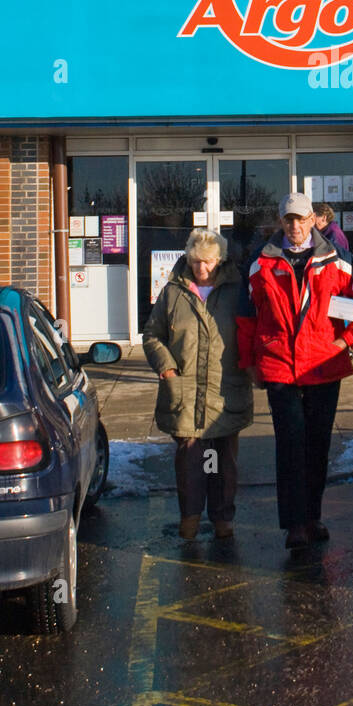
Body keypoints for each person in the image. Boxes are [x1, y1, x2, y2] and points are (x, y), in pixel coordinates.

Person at [237, 192, 353, 548]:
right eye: (288, 219)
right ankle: (294, 525)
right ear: (281, 222)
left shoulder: (341, 261)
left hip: (324, 366)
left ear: (313, 221)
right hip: (279, 368)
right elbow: (246, 319)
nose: (295, 226)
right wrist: (249, 363)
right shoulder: (260, 264)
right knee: (290, 447)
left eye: (301, 219)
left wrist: (347, 341)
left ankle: (313, 516)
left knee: (317, 446)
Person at [143, 229, 253, 540]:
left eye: (206, 262)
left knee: (222, 464)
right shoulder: (173, 292)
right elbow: (153, 335)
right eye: (195, 262)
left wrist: (251, 365)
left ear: (220, 260)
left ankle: (222, 519)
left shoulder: (238, 289)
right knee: (191, 463)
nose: (200, 269)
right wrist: (167, 369)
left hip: (225, 389)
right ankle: (190, 518)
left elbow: (251, 329)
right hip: (185, 392)